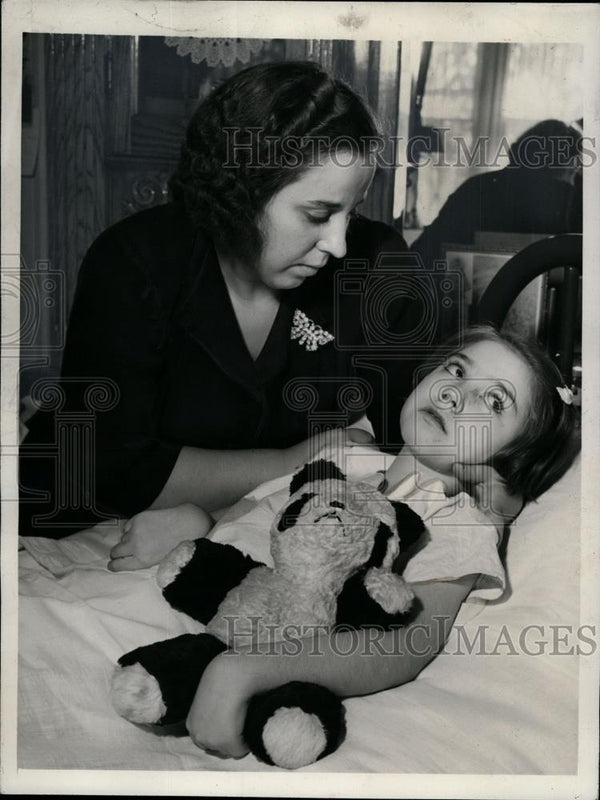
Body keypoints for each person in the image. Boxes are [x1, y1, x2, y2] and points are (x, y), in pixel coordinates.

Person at [19, 61, 425, 539]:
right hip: (81, 525)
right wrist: (296, 461)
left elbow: (418, 442)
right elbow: (115, 471)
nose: (338, 244)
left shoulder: (376, 266)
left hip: (263, 530)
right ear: (240, 191)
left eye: (350, 213)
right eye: (318, 214)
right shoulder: (133, 261)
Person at [142, 324, 578, 758]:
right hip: (157, 609)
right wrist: (197, 519)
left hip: (216, 660)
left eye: (495, 401)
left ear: (508, 462)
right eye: (457, 370)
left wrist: (243, 670)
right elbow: (250, 517)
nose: (455, 394)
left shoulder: (457, 523)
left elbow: (408, 645)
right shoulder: (343, 458)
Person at [411, 119, 583, 271]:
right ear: (569, 166)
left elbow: (423, 253)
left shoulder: (477, 188)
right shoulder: (572, 201)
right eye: (574, 170)